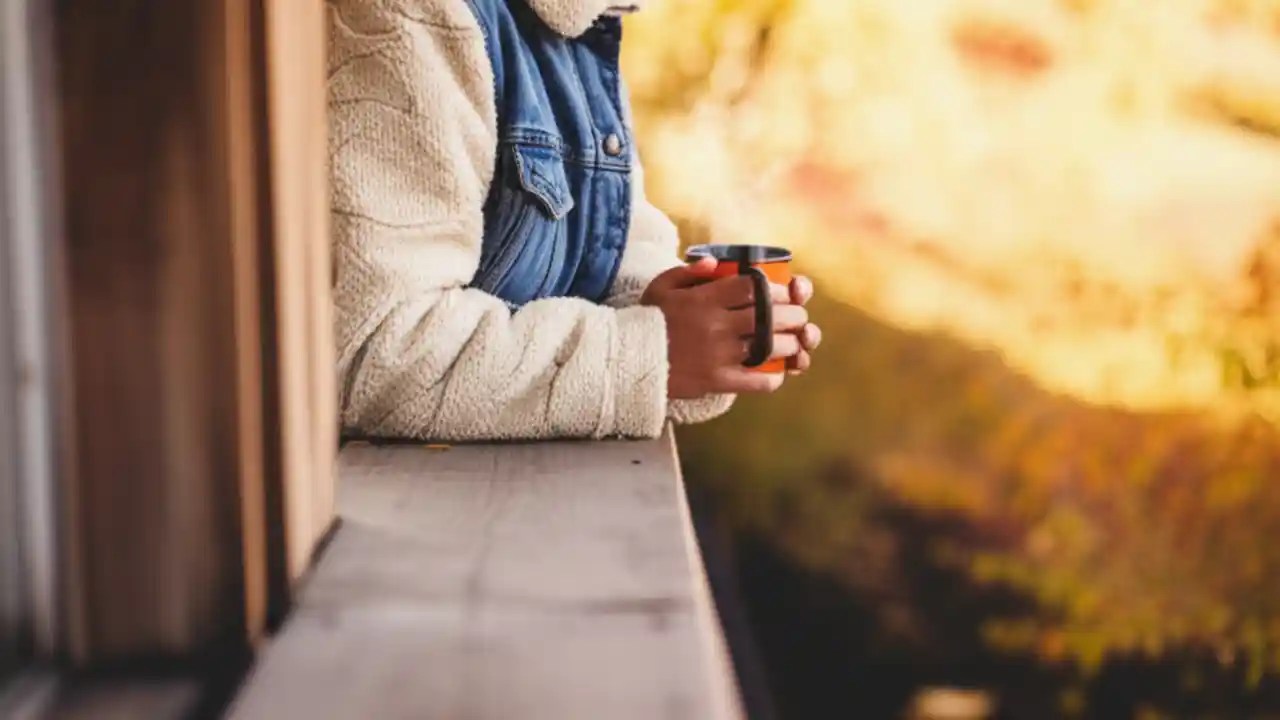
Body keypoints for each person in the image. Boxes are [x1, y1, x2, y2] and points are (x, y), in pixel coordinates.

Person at [328, 0, 822, 441]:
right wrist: (652, 353)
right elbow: (376, 354)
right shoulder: (414, 14)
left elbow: (620, 246)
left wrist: (707, 320)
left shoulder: (584, 21)